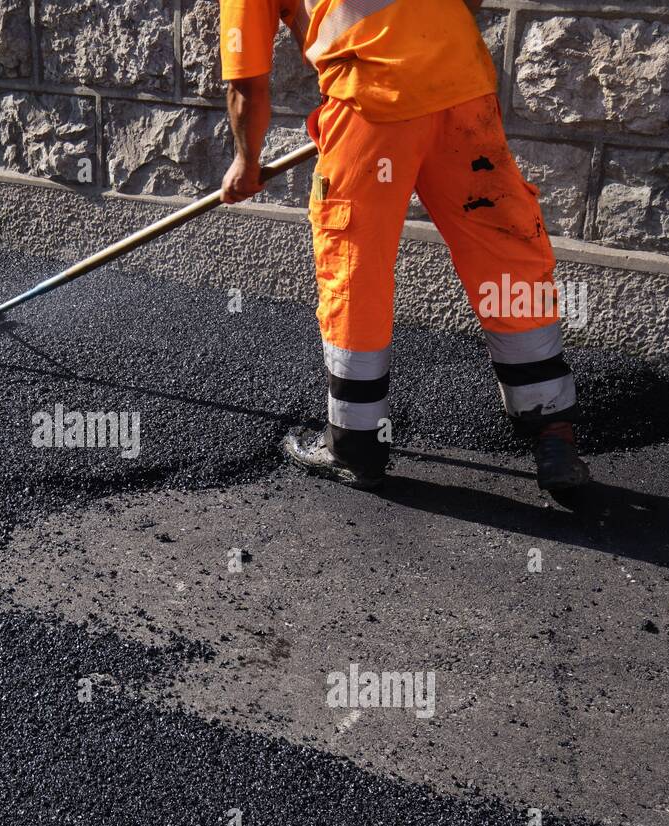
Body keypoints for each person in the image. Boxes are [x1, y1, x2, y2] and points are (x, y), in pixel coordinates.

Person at [219, 0, 590, 494]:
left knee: (356, 264)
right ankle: (554, 432)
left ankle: (354, 444)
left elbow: (246, 83)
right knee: (505, 255)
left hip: (371, 107)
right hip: (462, 89)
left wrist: (246, 162)